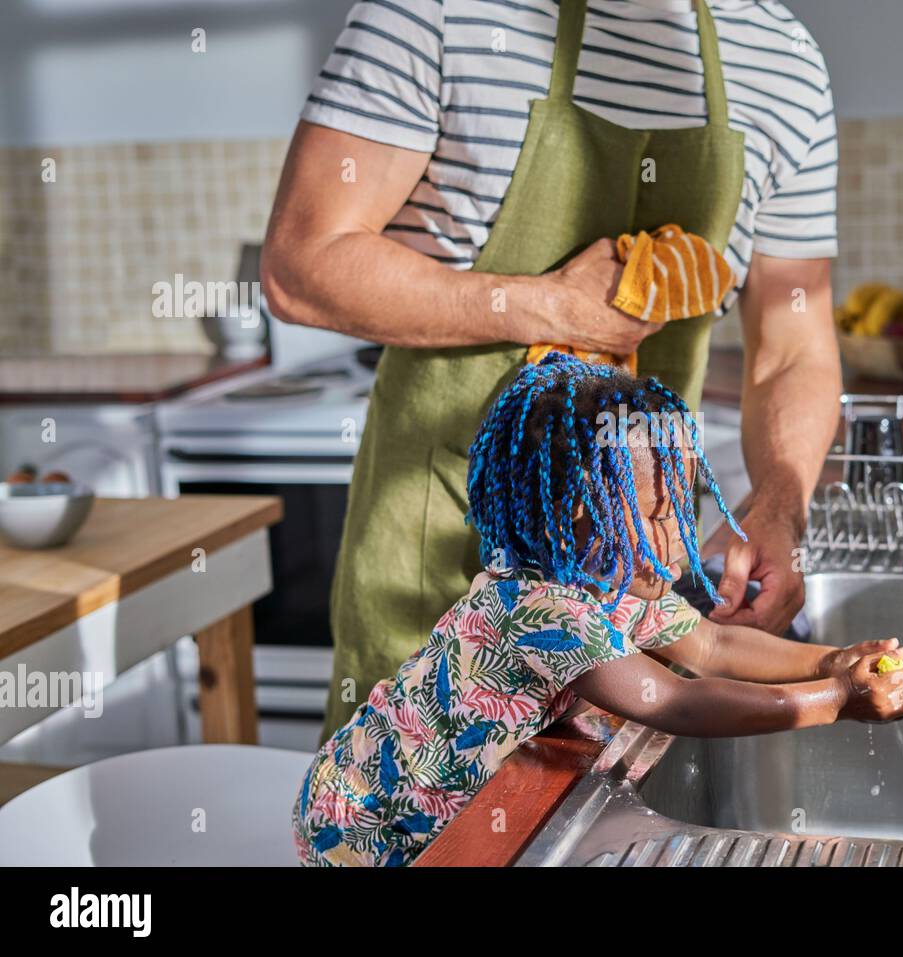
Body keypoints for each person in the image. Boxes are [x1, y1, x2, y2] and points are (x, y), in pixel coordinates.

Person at [261, 0, 843, 736]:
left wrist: (781, 500)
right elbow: (300, 262)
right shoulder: (436, 11)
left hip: (630, 572)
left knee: (593, 822)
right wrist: (550, 308)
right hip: (430, 565)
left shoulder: (782, 60)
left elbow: (795, 345)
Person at [292, 356, 903, 866]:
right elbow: (675, 701)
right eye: (659, 511)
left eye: (685, 502)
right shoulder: (544, 612)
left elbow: (713, 646)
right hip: (365, 829)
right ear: (577, 516)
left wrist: (831, 659)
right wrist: (833, 700)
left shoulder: (606, 584)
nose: (682, 531)